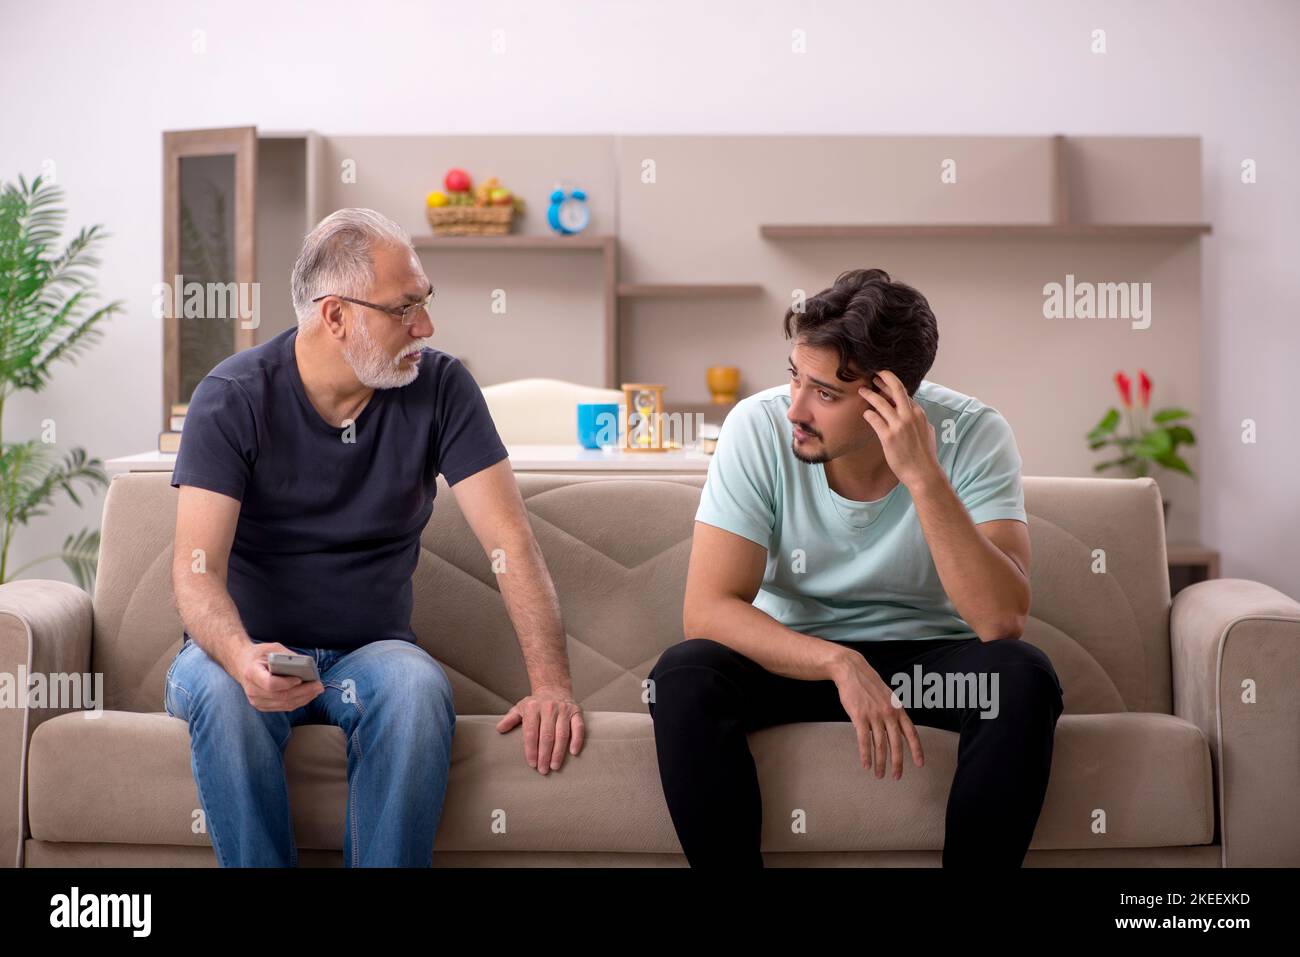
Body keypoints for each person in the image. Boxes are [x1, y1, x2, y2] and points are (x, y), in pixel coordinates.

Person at [165, 208, 584, 867]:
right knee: (223, 691)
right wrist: (244, 656)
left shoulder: (440, 385)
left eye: (426, 302)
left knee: (418, 689)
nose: (426, 326)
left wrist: (551, 682)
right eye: (404, 308)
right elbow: (196, 571)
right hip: (242, 652)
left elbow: (511, 541)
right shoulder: (233, 397)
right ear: (336, 315)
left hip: (371, 657)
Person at [648, 267, 1064, 868]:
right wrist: (838, 662)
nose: (795, 409)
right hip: (793, 662)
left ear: (889, 399)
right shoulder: (756, 428)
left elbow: (1001, 620)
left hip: (927, 665)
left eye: (824, 393)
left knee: (1022, 677)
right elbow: (707, 609)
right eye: (796, 377)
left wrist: (922, 476)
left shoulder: (974, 433)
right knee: (684, 673)